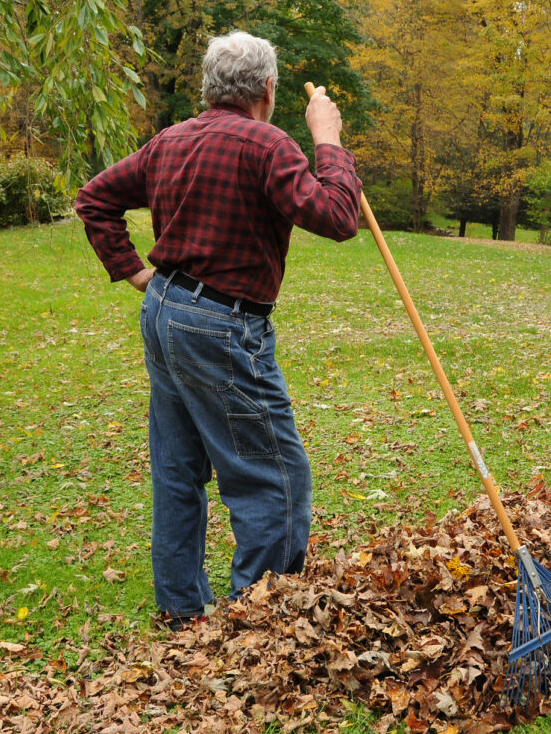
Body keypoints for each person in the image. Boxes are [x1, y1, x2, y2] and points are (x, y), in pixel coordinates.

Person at [75, 31, 362, 628]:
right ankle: (256, 626)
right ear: (267, 88)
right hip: (219, 325)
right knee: (274, 478)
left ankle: (182, 613)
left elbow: (94, 197)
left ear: (210, 86)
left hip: (165, 311)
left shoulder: (171, 141)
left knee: (178, 468)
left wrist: (135, 273)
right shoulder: (269, 145)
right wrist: (328, 140)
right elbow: (338, 216)